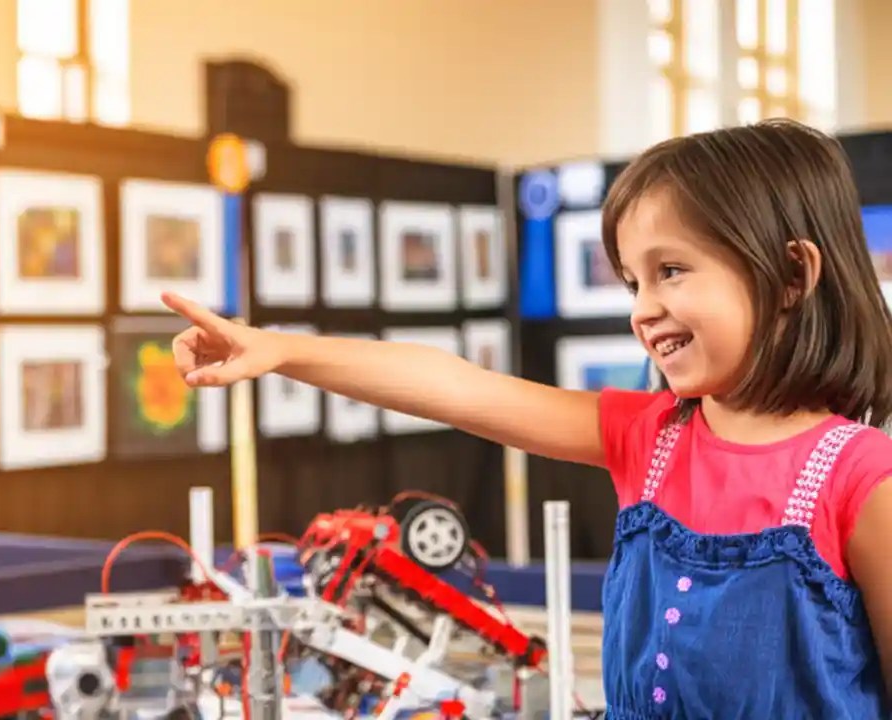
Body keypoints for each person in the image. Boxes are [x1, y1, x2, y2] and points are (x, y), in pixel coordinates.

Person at [160, 119, 892, 718]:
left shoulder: (863, 477)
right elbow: (457, 388)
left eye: (672, 270)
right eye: (633, 280)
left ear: (793, 274)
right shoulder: (650, 438)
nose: (642, 310)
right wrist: (280, 349)